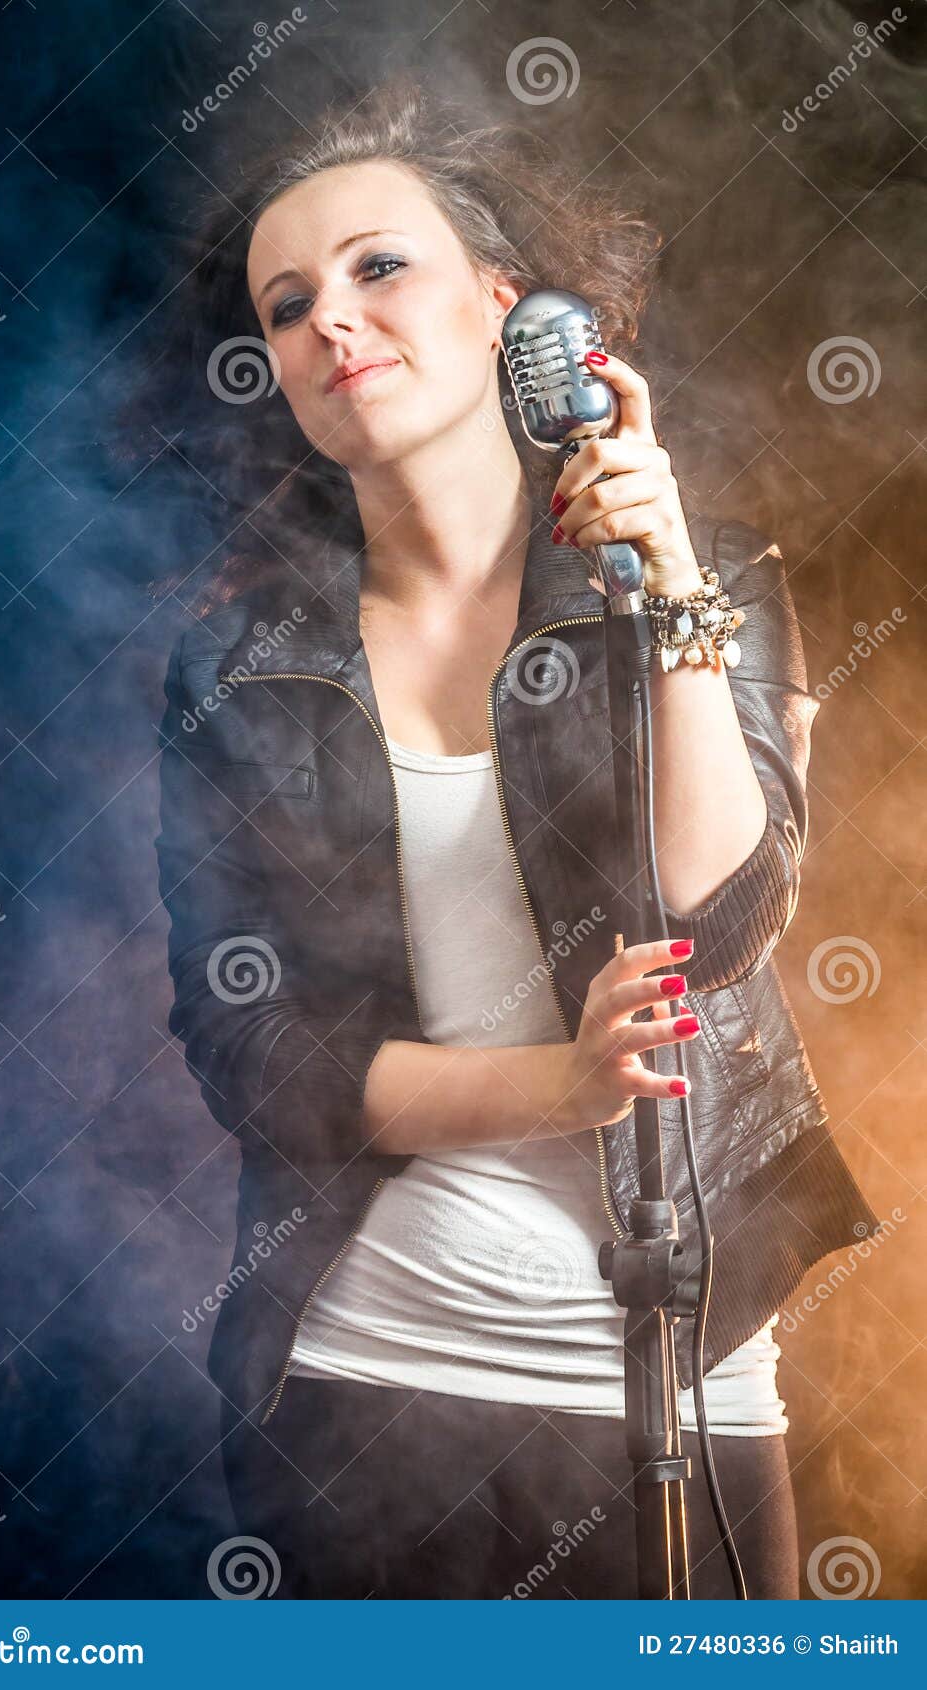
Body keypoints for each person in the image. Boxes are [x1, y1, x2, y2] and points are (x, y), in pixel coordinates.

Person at [153, 81, 880, 1599]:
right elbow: (249, 1045)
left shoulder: (706, 573)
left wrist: (670, 584)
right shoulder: (240, 667)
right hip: (363, 1378)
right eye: (287, 307)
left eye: (376, 268)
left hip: (672, 1380)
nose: (329, 321)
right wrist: (559, 1081)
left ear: (506, 303)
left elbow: (722, 910)